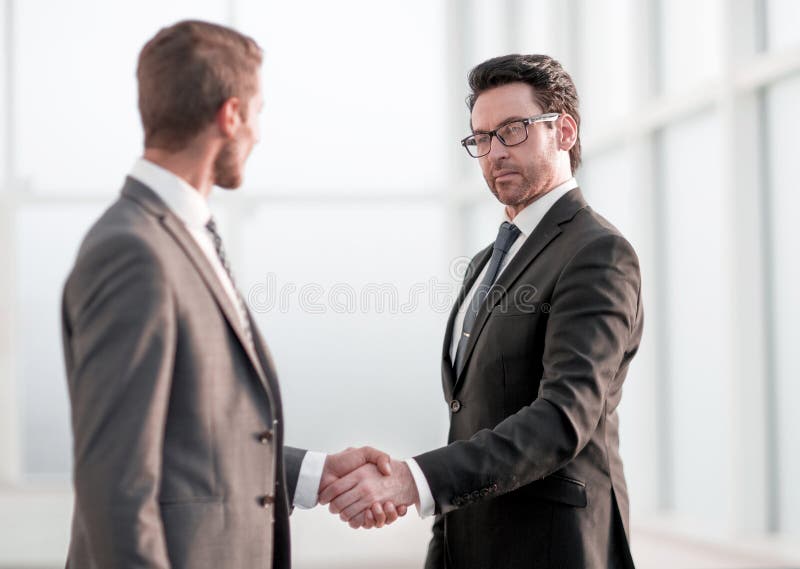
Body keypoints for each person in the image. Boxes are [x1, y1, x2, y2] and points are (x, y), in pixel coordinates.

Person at [61, 20, 401, 569]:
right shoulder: (133, 251)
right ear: (232, 114)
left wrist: (316, 473)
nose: (260, 134)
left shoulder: (181, 237)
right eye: (259, 112)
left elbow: (191, 443)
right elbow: (116, 485)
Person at [320, 54, 643, 569]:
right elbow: (468, 415)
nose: (494, 152)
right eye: (481, 138)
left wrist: (415, 479)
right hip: (467, 544)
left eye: (513, 131)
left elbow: (562, 418)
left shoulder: (596, 252)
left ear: (564, 130)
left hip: (551, 549)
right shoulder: (485, 263)